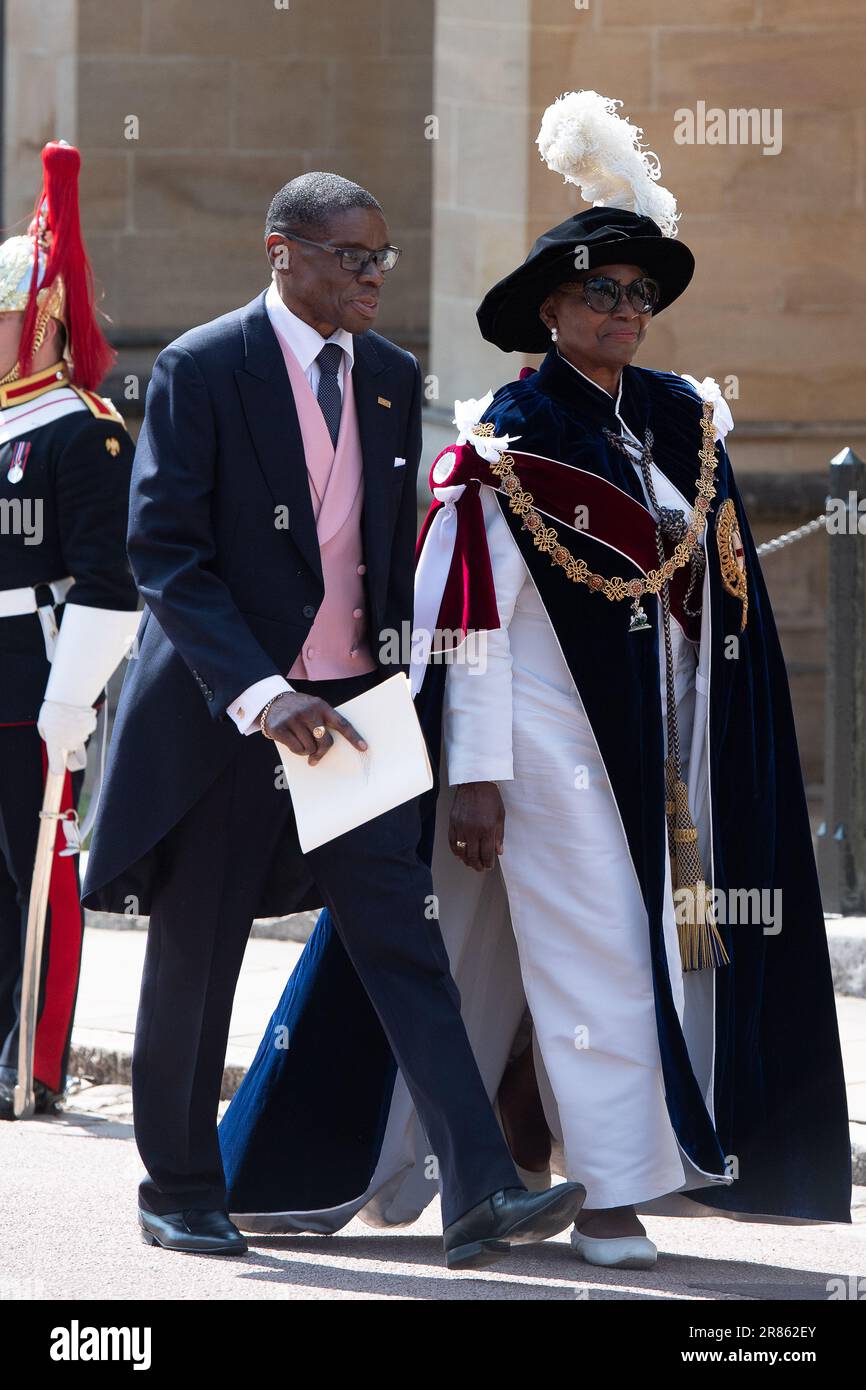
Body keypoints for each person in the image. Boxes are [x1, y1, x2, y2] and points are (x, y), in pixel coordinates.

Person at [217, 95, 850, 1268]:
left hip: (670, 741)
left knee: (574, 954)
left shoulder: (679, 419)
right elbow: (469, 627)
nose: (623, 310)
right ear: (549, 311)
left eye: (637, 294)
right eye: (598, 292)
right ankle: (609, 1192)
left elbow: (713, 589)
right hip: (546, 741)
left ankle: (510, 1158)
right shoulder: (509, 438)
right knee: (597, 948)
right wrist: (477, 778)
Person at [81, 171, 584, 1265]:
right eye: (350, 258)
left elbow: (383, 559)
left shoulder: (396, 379)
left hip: (359, 723)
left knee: (405, 949)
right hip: (229, 722)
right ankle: (177, 1189)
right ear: (281, 251)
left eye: (380, 259)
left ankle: (482, 1191)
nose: (370, 278)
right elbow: (165, 551)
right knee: (196, 956)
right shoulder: (201, 367)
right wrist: (265, 694)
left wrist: (409, 704)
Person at [0, 141, 138, 1120]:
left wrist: (69, 699)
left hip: (32, 681)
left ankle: (31, 1060)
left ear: (41, 319)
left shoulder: (83, 430)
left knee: (36, 877)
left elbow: (111, 583)